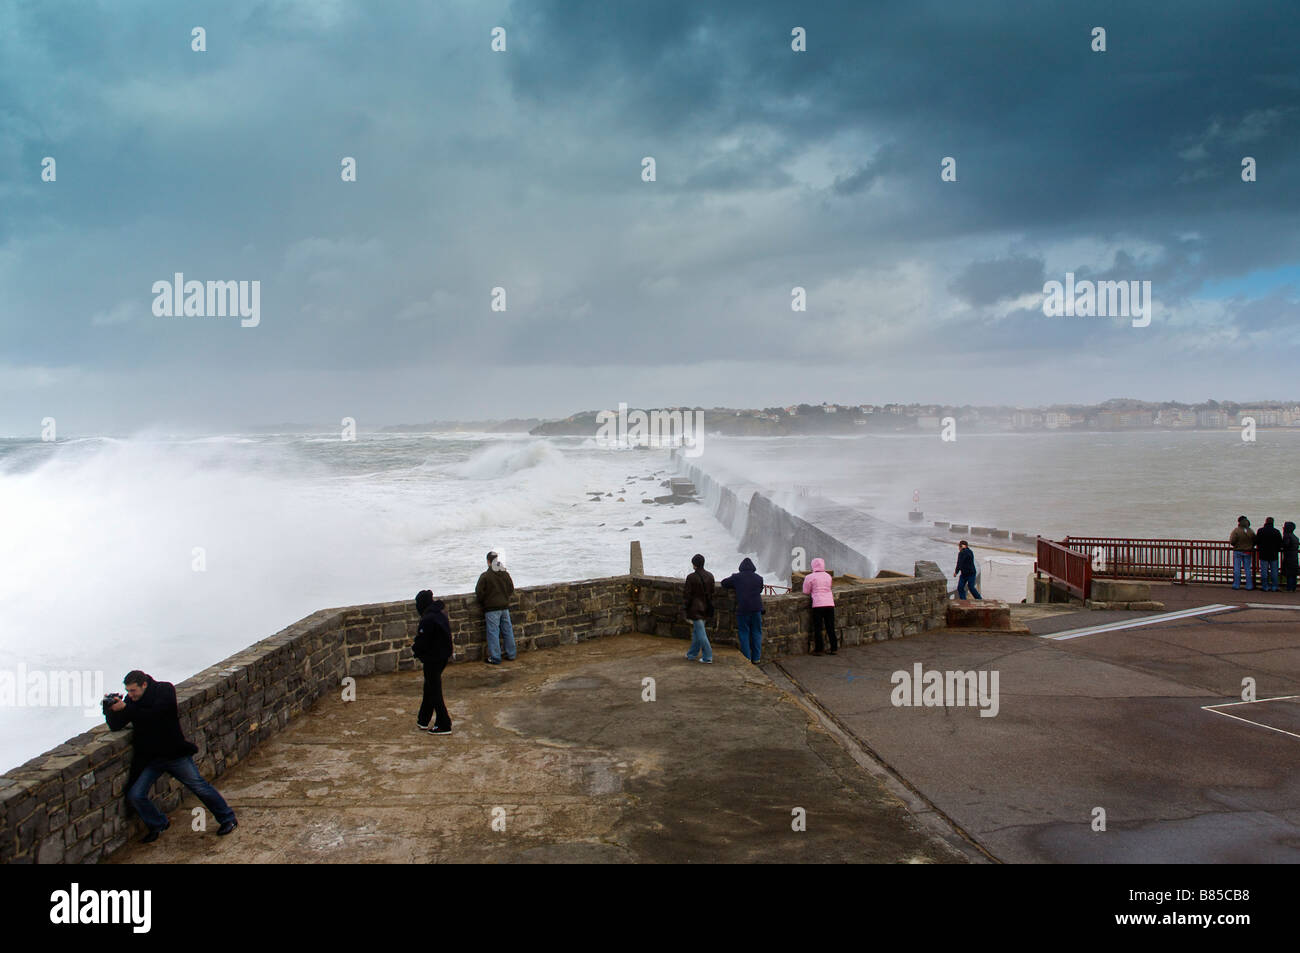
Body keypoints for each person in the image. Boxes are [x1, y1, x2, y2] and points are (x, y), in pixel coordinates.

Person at [104, 670, 237, 843]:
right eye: (128, 691)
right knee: (136, 794)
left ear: (144, 684)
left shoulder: (164, 690)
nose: (130, 695)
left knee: (200, 787)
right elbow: (116, 725)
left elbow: (156, 716)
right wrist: (109, 710)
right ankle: (158, 823)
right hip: (150, 759)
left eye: (133, 690)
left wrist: (127, 708)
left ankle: (228, 819)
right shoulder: (131, 701)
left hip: (175, 755)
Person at [413, 589, 454, 735]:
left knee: (434, 690)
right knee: (429, 687)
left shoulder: (428, 619)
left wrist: (416, 650)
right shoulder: (440, 614)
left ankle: (444, 723)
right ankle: (423, 719)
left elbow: (422, 641)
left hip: (433, 658)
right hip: (442, 656)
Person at [475, 550, 516, 664]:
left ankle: (495, 657)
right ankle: (511, 654)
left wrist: (485, 601)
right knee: (507, 630)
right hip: (504, 606)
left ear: (488, 561)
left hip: (492, 608)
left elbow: (479, 592)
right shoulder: (505, 574)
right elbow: (511, 588)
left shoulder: (486, 576)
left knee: (493, 632)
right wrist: (505, 598)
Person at [720, 557, 764, 663]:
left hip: (743, 608)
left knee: (744, 632)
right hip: (757, 608)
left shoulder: (737, 577)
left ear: (741, 568)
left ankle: (746, 658)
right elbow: (760, 589)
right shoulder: (759, 578)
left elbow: (724, 583)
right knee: (757, 632)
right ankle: (756, 658)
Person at [683, 554, 715, 663]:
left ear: (694, 564)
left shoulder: (691, 577)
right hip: (706, 608)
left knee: (700, 633)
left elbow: (687, 595)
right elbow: (712, 592)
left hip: (695, 609)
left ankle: (708, 656)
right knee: (697, 633)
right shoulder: (710, 576)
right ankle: (691, 654)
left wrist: (685, 607)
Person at [802, 557, 838, 655]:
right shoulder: (828, 576)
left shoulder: (809, 577)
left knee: (818, 627)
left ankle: (819, 649)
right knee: (830, 626)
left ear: (813, 566)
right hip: (830, 603)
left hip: (818, 604)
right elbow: (829, 587)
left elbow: (806, 591)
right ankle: (834, 648)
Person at [1255, 517, 1283, 592]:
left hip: (1263, 554)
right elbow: (1280, 543)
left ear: (1266, 522)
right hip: (1274, 554)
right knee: (1274, 572)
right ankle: (1274, 586)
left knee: (1264, 571)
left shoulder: (1260, 531)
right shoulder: (1276, 531)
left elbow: (1257, 541)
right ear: (1273, 522)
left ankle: (1265, 587)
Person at [1229, 516, 1256, 591]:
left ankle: (1236, 584)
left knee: (1237, 568)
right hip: (1248, 551)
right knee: (1247, 569)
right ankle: (1249, 585)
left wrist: (1236, 545)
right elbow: (1255, 540)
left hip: (1238, 550)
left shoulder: (1236, 531)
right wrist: (1250, 546)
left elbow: (1232, 541)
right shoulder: (1250, 531)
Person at [1283, 522, 1299, 593]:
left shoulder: (1287, 536)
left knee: (1289, 573)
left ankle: (1289, 588)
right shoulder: (1295, 537)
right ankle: (1293, 587)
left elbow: (1286, 545)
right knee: (1293, 573)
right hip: (1294, 556)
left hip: (1289, 556)